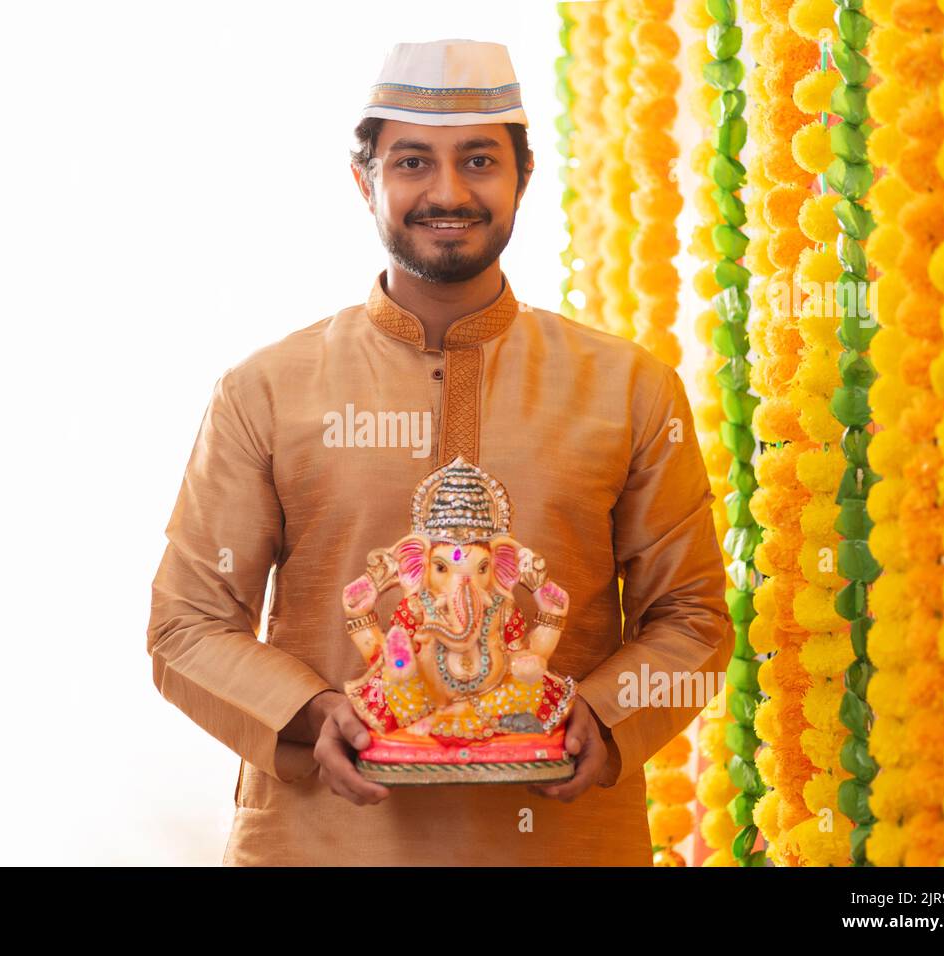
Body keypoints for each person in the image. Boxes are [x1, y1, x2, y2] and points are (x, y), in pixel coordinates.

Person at [146, 38, 734, 865]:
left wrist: (606, 713)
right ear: (366, 180)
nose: (448, 192)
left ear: (523, 178)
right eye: (414, 161)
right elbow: (187, 623)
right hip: (323, 841)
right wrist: (312, 712)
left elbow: (693, 618)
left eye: (480, 160)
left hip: (559, 843)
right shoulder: (267, 391)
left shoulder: (629, 389)